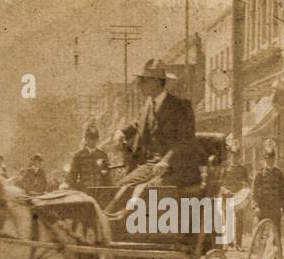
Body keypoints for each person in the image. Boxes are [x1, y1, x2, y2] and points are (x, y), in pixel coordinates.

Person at [107, 59, 199, 214]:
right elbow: (137, 124)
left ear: (156, 82)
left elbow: (186, 140)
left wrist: (166, 160)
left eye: (143, 80)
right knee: (121, 186)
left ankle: (124, 221)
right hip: (151, 166)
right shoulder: (148, 105)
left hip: (176, 168)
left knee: (145, 190)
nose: (139, 85)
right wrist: (121, 132)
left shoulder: (181, 106)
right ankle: (114, 221)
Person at [252, 139, 284, 243]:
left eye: (272, 158)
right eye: (268, 159)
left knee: (277, 235)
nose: (270, 161)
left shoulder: (279, 173)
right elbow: (254, 192)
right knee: (262, 236)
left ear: (275, 158)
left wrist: (283, 207)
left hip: (275, 208)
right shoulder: (259, 174)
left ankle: (277, 258)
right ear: (264, 159)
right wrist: (256, 207)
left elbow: (282, 191)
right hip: (263, 208)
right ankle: (261, 257)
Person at [66, 122, 109, 191]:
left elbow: (107, 175)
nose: (92, 141)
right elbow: (73, 176)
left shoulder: (102, 155)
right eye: (90, 138)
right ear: (86, 139)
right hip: (84, 191)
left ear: (97, 139)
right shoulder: (78, 156)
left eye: (94, 138)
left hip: (100, 191)